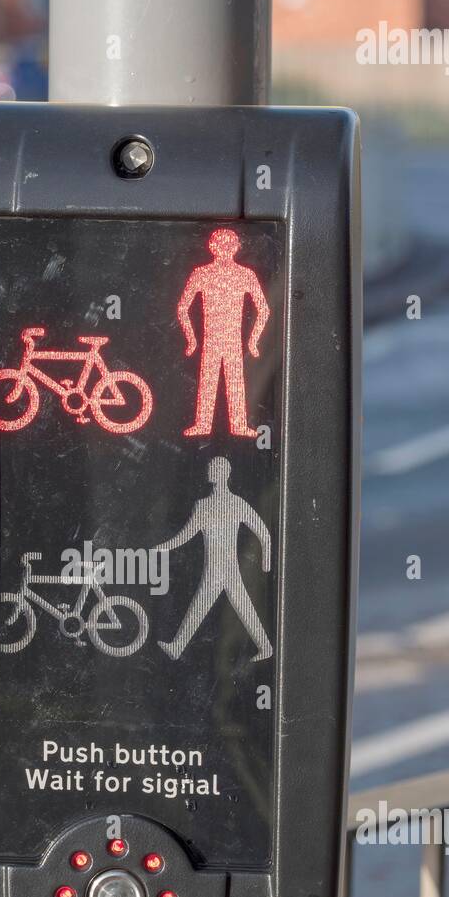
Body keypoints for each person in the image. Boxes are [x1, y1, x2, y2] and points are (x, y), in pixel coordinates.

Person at [157, 457, 272, 661]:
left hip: (226, 569)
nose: (210, 469)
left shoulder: (236, 503)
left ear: (224, 473)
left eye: (215, 468)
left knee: (215, 607)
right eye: (210, 467)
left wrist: (266, 562)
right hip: (215, 569)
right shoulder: (202, 506)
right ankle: (265, 647)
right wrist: (164, 547)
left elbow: (263, 532)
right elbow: (186, 534)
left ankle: (177, 647)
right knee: (231, 607)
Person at [177, 228, 270, 437]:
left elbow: (264, 309)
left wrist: (253, 341)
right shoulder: (202, 273)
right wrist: (191, 339)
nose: (225, 249)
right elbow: (182, 307)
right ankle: (206, 425)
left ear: (237, 247)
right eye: (221, 244)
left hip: (230, 340)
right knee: (211, 381)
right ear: (212, 247)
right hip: (215, 339)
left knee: (232, 381)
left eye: (229, 245)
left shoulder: (245, 274)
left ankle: (237, 425)